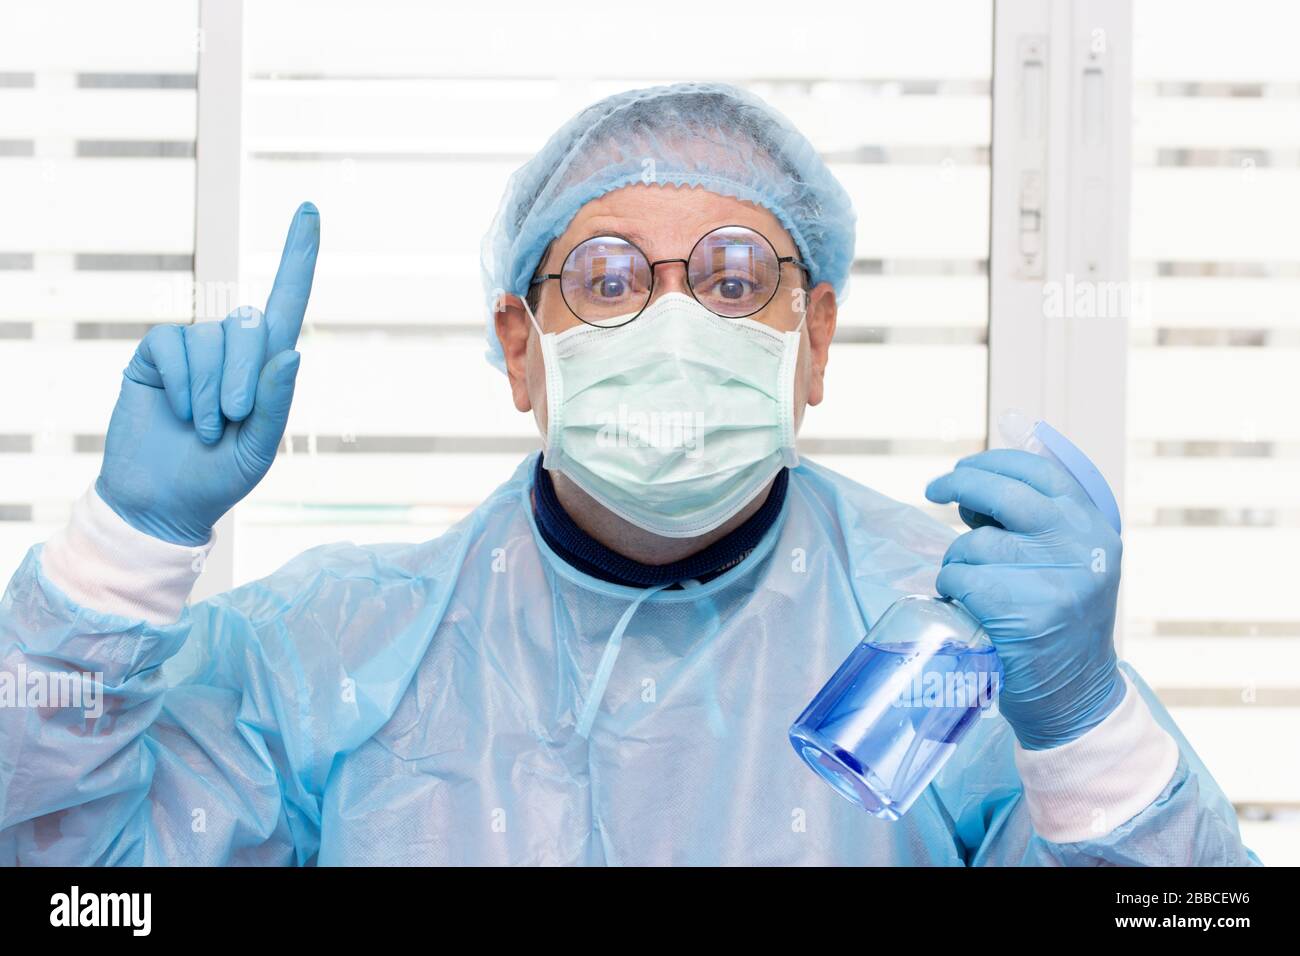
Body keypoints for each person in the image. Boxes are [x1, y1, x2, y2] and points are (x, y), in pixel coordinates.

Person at [0, 83, 1258, 866]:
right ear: (520, 349)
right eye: (605, 279)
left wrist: (1088, 726)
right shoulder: (336, 650)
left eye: (729, 278)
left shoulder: (956, 647)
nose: (670, 322)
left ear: (811, 338)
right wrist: (125, 546)